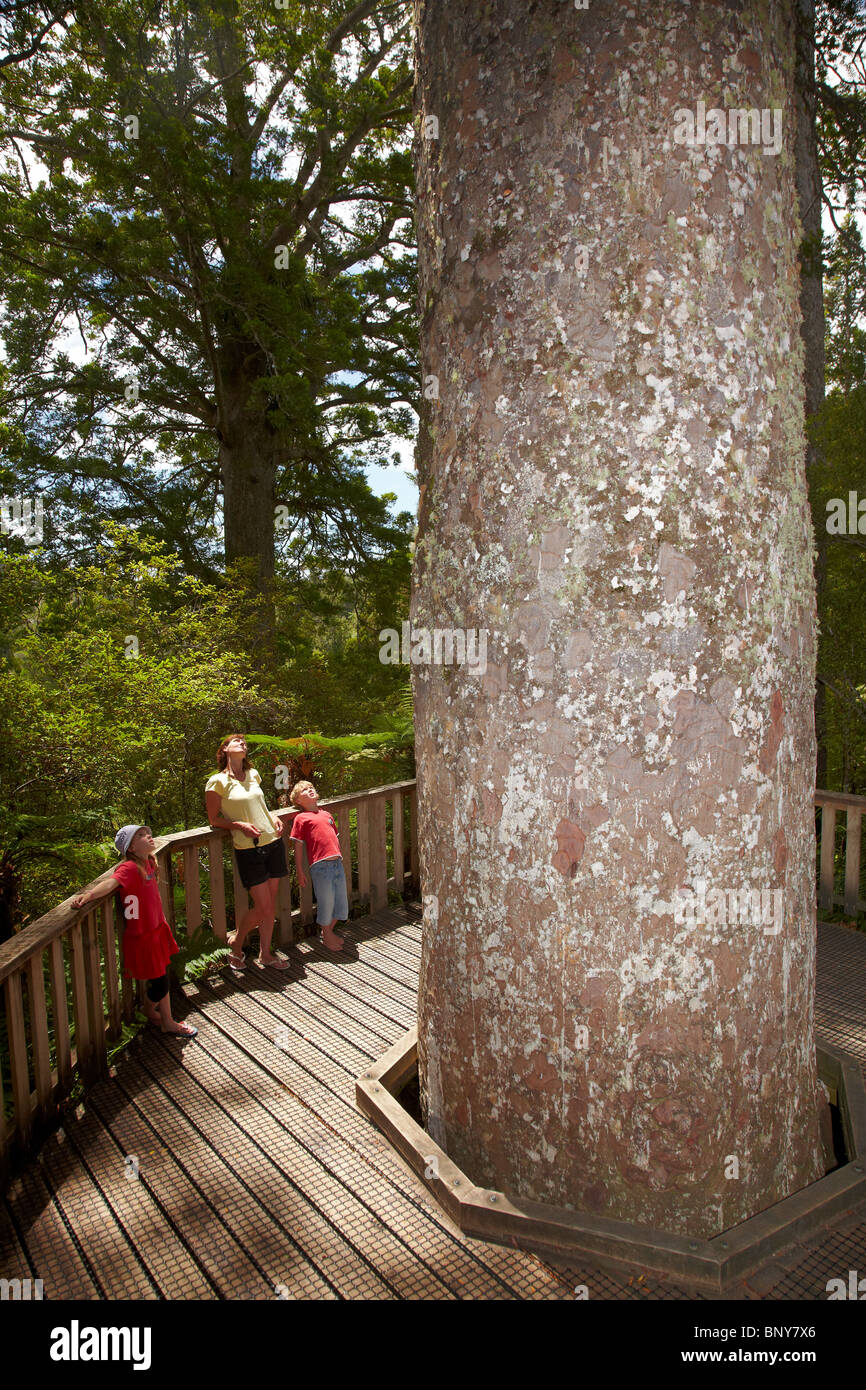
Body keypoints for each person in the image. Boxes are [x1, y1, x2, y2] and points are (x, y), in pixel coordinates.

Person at [72, 825, 198, 1038]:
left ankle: (162, 1017)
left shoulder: (148, 862)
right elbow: (111, 883)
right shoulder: (129, 868)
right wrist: (89, 895)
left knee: (162, 976)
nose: (148, 836)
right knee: (160, 981)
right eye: (140, 835)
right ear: (130, 848)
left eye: (148, 833)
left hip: (156, 930)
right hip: (143, 936)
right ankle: (156, 1014)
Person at [205, 734, 290, 971]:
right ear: (225, 749)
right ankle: (236, 943)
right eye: (237, 741)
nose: (243, 744)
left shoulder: (253, 775)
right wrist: (239, 825)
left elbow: (259, 806)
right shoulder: (217, 782)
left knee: (269, 905)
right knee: (262, 907)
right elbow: (214, 819)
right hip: (248, 849)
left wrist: (273, 817)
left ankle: (265, 953)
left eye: (244, 742)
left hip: (272, 842)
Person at [289, 781, 347, 953]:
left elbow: (333, 836)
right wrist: (299, 870)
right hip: (320, 866)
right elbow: (298, 845)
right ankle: (327, 935)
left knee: (341, 904)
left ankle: (327, 931)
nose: (309, 790)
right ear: (298, 800)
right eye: (304, 791)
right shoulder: (301, 818)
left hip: (337, 863)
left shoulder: (326, 814)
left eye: (311, 788)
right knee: (326, 902)